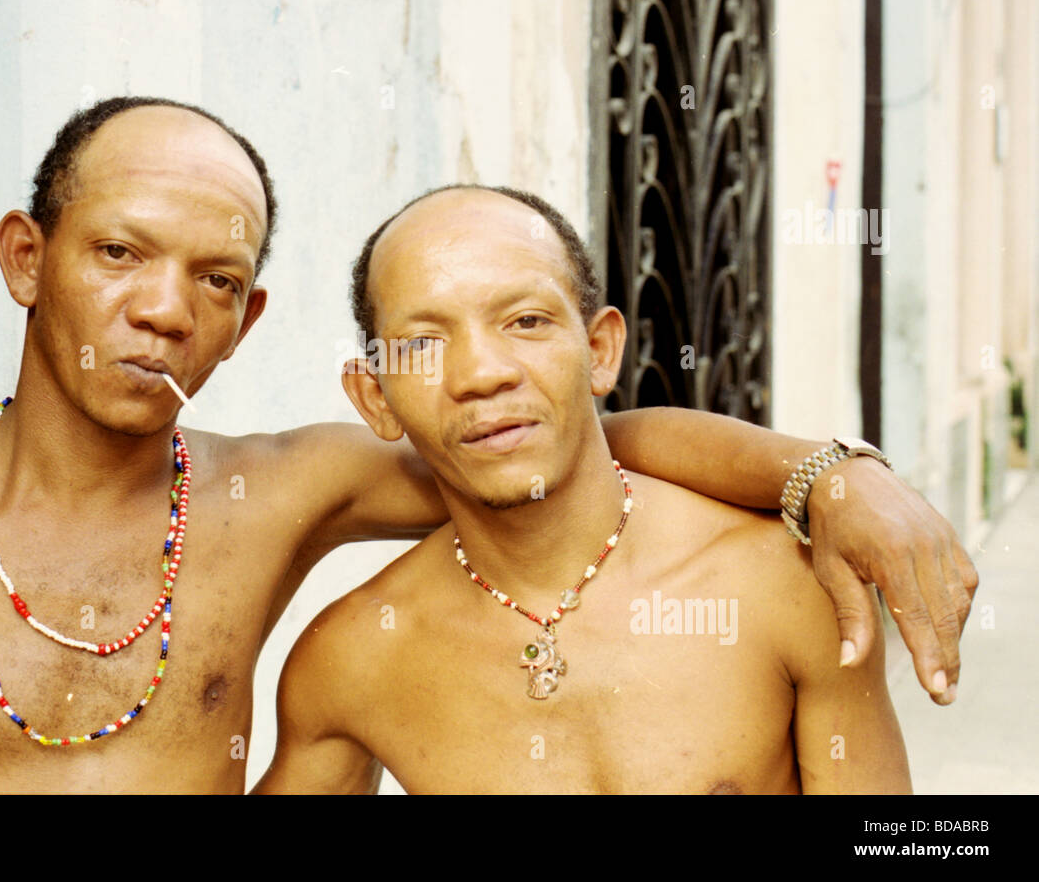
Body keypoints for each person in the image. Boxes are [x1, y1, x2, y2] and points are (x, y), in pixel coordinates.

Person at [0, 99, 968, 792]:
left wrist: (828, 476)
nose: (165, 307)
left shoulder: (284, 490)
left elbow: (552, 444)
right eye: (117, 252)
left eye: (215, 277)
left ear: (244, 317)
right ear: (28, 257)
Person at [256, 185, 916, 793]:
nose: (482, 374)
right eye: (424, 343)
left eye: (526, 322)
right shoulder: (351, 662)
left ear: (600, 349)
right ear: (375, 396)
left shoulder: (782, 585)